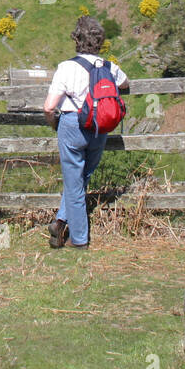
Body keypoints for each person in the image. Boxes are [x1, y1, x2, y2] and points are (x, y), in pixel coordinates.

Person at [42, 16, 129, 249]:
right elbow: (125, 85)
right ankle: (60, 222)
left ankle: (78, 240)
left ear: (76, 40)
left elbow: (49, 107)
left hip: (72, 126)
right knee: (80, 180)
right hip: (99, 128)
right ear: (100, 42)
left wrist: (55, 125)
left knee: (73, 184)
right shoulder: (109, 66)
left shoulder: (66, 67)